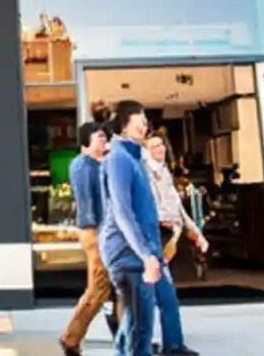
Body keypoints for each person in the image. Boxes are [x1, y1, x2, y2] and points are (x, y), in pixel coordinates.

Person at [101, 100, 199, 356]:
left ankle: (172, 345)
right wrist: (145, 255)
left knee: (135, 322)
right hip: (129, 255)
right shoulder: (120, 159)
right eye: (139, 123)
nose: (144, 127)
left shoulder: (134, 159)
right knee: (141, 327)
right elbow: (123, 211)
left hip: (143, 251)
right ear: (123, 126)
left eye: (146, 122)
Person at [61, 121, 119, 356]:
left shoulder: (96, 164)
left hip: (101, 230)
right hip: (96, 231)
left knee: (114, 287)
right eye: (99, 137)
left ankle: (126, 336)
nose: (104, 141)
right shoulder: (84, 166)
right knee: (99, 287)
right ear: (86, 141)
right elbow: (89, 204)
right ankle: (71, 338)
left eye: (105, 138)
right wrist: (101, 231)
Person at [143, 136, 208, 266]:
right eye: (155, 146)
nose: (161, 148)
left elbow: (176, 204)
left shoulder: (164, 170)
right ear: (147, 151)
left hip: (173, 226)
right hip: (160, 228)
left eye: (161, 144)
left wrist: (194, 230)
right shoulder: (145, 172)